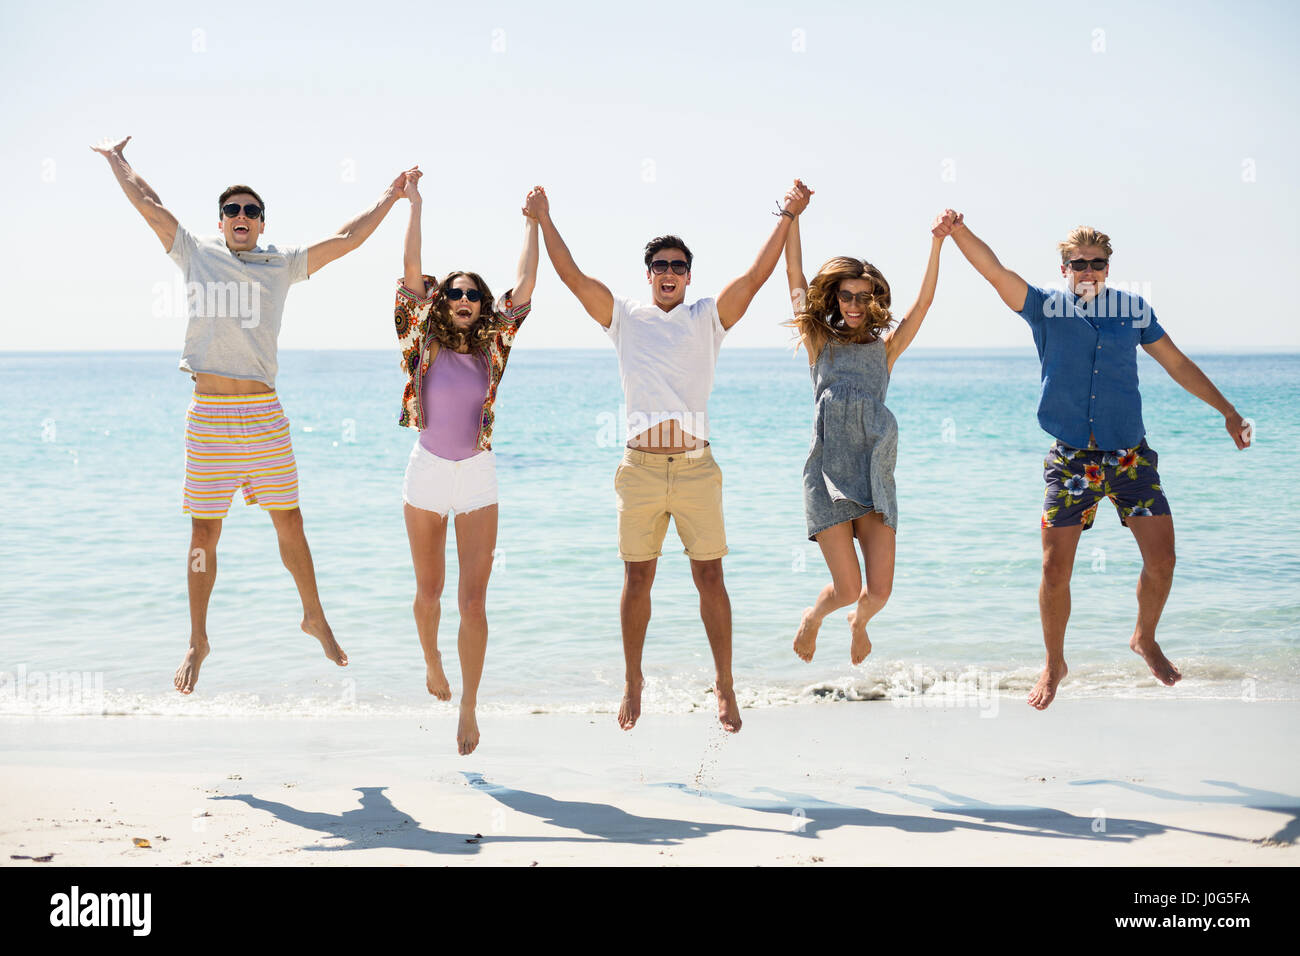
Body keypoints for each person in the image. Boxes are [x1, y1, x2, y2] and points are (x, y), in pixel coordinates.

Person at [93, 135, 407, 695]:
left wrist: (391, 194)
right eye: (233, 209)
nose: (242, 216)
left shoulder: (280, 264)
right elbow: (149, 204)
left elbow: (347, 239)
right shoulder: (196, 253)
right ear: (221, 221)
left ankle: (314, 616)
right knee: (203, 534)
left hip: (263, 415)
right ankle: (197, 639)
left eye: (251, 210)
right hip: (209, 417)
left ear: (261, 223)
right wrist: (119, 162)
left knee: (291, 522)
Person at [530, 182, 811, 734]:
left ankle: (725, 686)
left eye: (678, 265)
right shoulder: (625, 317)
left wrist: (788, 215)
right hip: (638, 471)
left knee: (711, 576)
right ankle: (634, 679)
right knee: (638, 579)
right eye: (659, 264)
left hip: (695, 470)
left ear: (688, 274)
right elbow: (571, 277)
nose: (668, 271)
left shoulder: (706, 318)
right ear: (648, 272)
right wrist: (542, 219)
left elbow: (755, 278)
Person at [948, 213, 1251, 709]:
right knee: (1054, 571)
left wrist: (1227, 411)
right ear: (1064, 266)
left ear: (1108, 267)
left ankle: (1144, 638)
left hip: (1130, 456)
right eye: (1079, 263)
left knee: (1163, 560)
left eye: (1098, 263)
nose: (1088, 271)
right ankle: (1054, 663)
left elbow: (1176, 362)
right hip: (1071, 460)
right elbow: (994, 270)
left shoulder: (1132, 310)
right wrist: (958, 231)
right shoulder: (1044, 308)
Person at [391, 169, 539, 755]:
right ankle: (431, 662)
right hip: (426, 471)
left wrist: (532, 222)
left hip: (477, 475)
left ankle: (470, 707)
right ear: (440, 302)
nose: (463, 300)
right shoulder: (419, 341)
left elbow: (524, 286)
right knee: (429, 593)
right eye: (453, 292)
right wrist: (414, 205)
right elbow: (409, 275)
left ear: (482, 307)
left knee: (473, 602)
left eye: (473, 295)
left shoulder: (494, 345)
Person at [784, 183, 956, 664]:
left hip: (875, 475)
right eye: (846, 296)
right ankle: (814, 618)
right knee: (846, 587)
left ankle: (858, 622)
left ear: (873, 299)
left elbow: (922, 307)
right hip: (829, 476)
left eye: (863, 297)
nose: (854, 305)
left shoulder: (885, 350)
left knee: (877, 593)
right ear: (835, 299)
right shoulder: (820, 343)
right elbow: (796, 279)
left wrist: (937, 243)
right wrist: (793, 217)